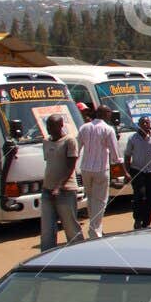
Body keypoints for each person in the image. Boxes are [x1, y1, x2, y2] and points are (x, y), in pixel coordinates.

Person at [76, 104, 121, 240]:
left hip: (85, 169)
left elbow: (76, 149)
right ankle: (95, 232)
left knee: (91, 200)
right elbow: (115, 155)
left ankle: (95, 228)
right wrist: (123, 168)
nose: (110, 115)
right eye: (109, 112)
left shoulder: (84, 127)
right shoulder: (108, 129)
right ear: (104, 114)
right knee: (100, 201)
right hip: (101, 169)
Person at [39, 113, 81, 251]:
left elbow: (70, 167)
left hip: (66, 191)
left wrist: (58, 186)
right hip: (47, 190)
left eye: (52, 126)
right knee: (47, 229)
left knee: (70, 227)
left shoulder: (70, 141)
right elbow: (50, 164)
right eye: (48, 126)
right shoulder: (46, 141)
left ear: (61, 125)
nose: (49, 129)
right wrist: (50, 187)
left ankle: (79, 254)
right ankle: (45, 258)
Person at [124, 115, 151, 229]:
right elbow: (127, 156)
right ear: (139, 125)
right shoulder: (132, 138)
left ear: (150, 124)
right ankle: (137, 219)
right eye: (143, 123)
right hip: (138, 171)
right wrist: (126, 172)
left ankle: (147, 222)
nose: (145, 125)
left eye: (147, 123)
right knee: (140, 196)